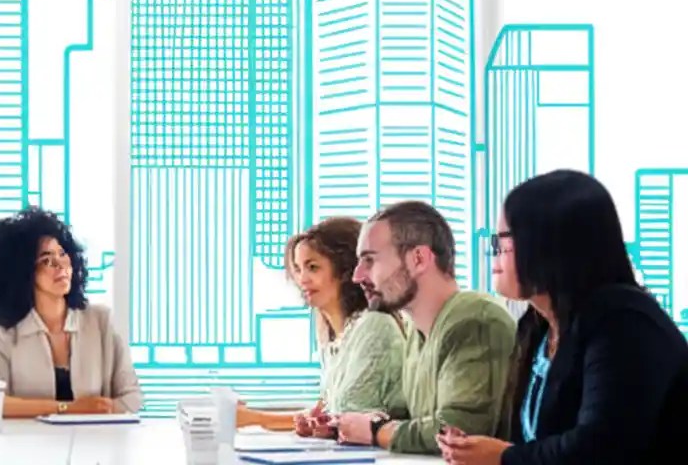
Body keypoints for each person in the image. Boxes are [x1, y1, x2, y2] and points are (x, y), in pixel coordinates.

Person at [438, 170, 688, 464]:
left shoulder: (624, 323)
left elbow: (600, 449)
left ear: (547, 243)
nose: (494, 252)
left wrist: (504, 457)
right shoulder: (537, 325)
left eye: (502, 239)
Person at [331, 200, 516, 455]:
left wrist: (375, 431)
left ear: (418, 259)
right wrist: (342, 427)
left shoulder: (475, 320)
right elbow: (414, 419)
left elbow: (458, 430)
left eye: (370, 261)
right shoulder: (416, 333)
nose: (357, 276)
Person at [236, 217, 407, 432]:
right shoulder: (332, 333)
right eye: (298, 269)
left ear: (346, 271)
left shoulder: (374, 326)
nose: (302, 279)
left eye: (313, 267)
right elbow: (331, 415)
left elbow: (348, 418)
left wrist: (255, 418)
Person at [0, 207, 142, 416]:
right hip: (28, 447)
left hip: (96, 444)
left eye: (62, 254)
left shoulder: (101, 321)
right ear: (22, 273)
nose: (60, 265)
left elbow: (132, 398)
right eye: (46, 260)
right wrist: (67, 409)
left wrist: (101, 410)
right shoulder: (7, 332)